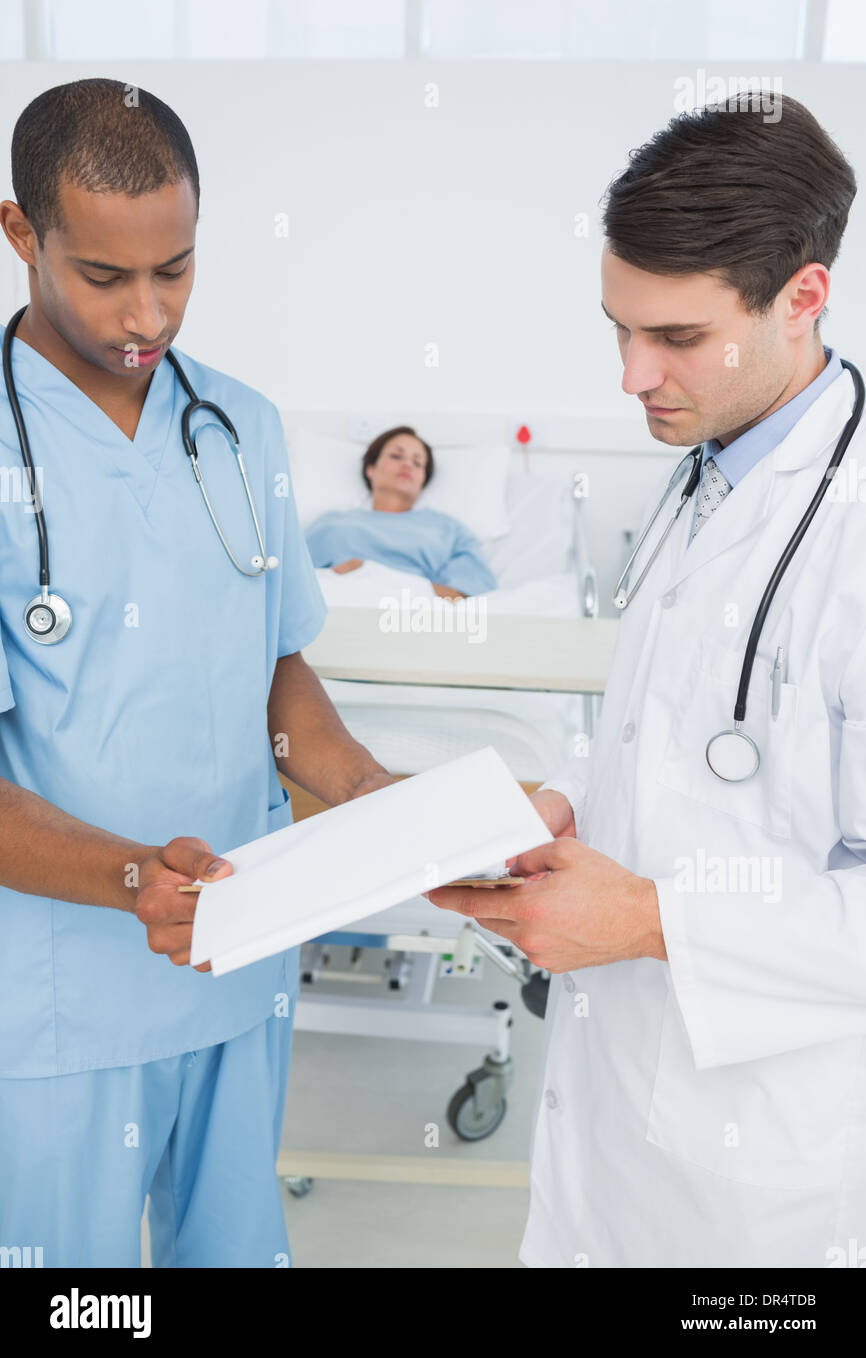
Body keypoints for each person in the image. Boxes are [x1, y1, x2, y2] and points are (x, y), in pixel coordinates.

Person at [429, 93, 866, 1268]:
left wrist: (646, 919)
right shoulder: (706, 469)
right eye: (617, 328)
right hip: (616, 1123)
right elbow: (687, 729)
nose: (631, 374)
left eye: (672, 337)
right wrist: (574, 794)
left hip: (760, 1175)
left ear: (801, 297)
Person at [0, 78, 395, 1268]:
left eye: (173, 269)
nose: (146, 312)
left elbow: (271, 666)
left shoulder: (241, 425)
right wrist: (128, 878)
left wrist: (366, 787)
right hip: (61, 987)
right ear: (20, 234)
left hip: (238, 956)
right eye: (104, 275)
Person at [306, 425, 496, 599]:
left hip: (406, 613)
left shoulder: (448, 530)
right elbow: (290, 577)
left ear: (423, 480)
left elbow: (466, 597)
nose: (407, 465)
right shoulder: (331, 523)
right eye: (396, 456)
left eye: (418, 463)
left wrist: (373, 576)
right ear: (371, 469)